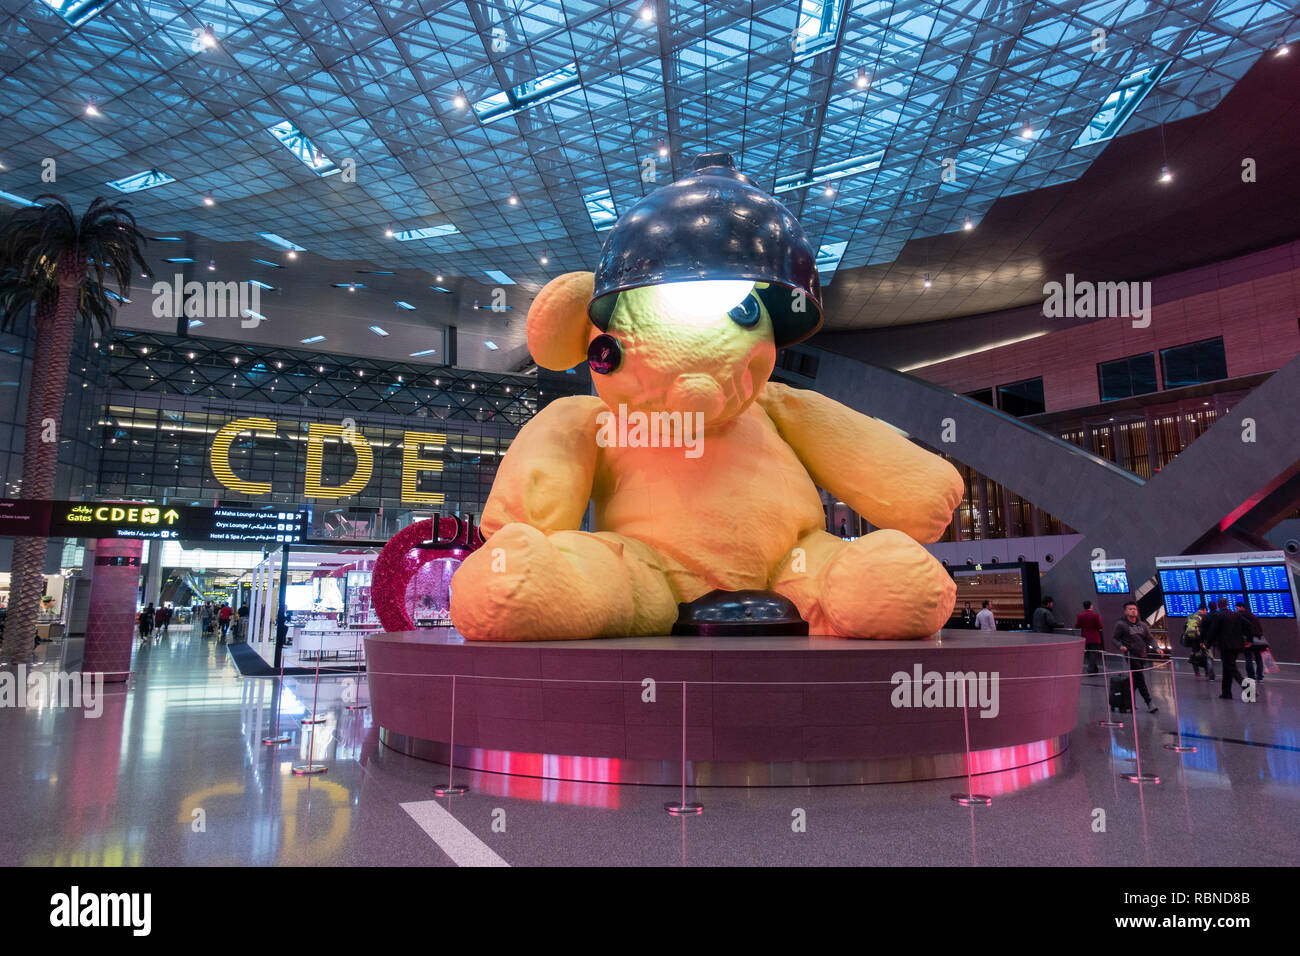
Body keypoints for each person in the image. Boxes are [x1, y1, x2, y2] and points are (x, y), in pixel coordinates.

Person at [1111, 600, 1158, 713]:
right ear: (1125, 611)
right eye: (1130, 609)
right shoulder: (1121, 625)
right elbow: (1114, 639)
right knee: (1140, 679)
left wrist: (1157, 647)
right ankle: (1149, 702)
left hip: (1142, 656)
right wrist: (1120, 646)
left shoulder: (1142, 625)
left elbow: (1149, 638)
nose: (1133, 611)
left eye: (1135, 609)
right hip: (1131, 657)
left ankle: (1124, 702)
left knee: (1135, 681)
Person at [1203, 597, 1246, 700]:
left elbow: (1212, 631)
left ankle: (1248, 688)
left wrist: (1207, 645)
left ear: (1218, 605)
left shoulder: (1219, 616)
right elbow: (1248, 625)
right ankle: (1226, 693)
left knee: (1231, 668)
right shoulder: (1235, 615)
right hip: (1237, 646)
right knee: (1227, 668)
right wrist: (1246, 639)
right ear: (1227, 604)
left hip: (1226, 646)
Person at [1236, 601, 1266, 683]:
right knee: (1258, 658)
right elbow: (1259, 627)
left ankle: (1251, 676)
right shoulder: (1252, 615)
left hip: (1247, 639)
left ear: (1242, 607)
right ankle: (1260, 677)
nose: (1237, 609)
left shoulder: (1240, 616)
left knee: (1248, 658)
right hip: (1257, 640)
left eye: (1237, 607)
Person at [1183, 603, 1214, 681]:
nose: (1206, 612)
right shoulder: (1204, 617)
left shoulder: (1191, 616)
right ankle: (1207, 673)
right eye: (1206, 610)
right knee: (1207, 655)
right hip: (1202, 639)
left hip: (1193, 639)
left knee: (1195, 654)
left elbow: (1185, 627)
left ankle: (1197, 672)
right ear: (1204, 609)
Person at [1076, 600, 1104, 673]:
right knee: (1093, 654)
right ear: (1091, 606)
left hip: (1085, 637)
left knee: (1089, 654)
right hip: (1095, 638)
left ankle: (1094, 669)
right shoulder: (1095, 615)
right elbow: (1100, 626)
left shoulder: (1080, 615)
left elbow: (1077, 626)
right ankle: (1091, 670)